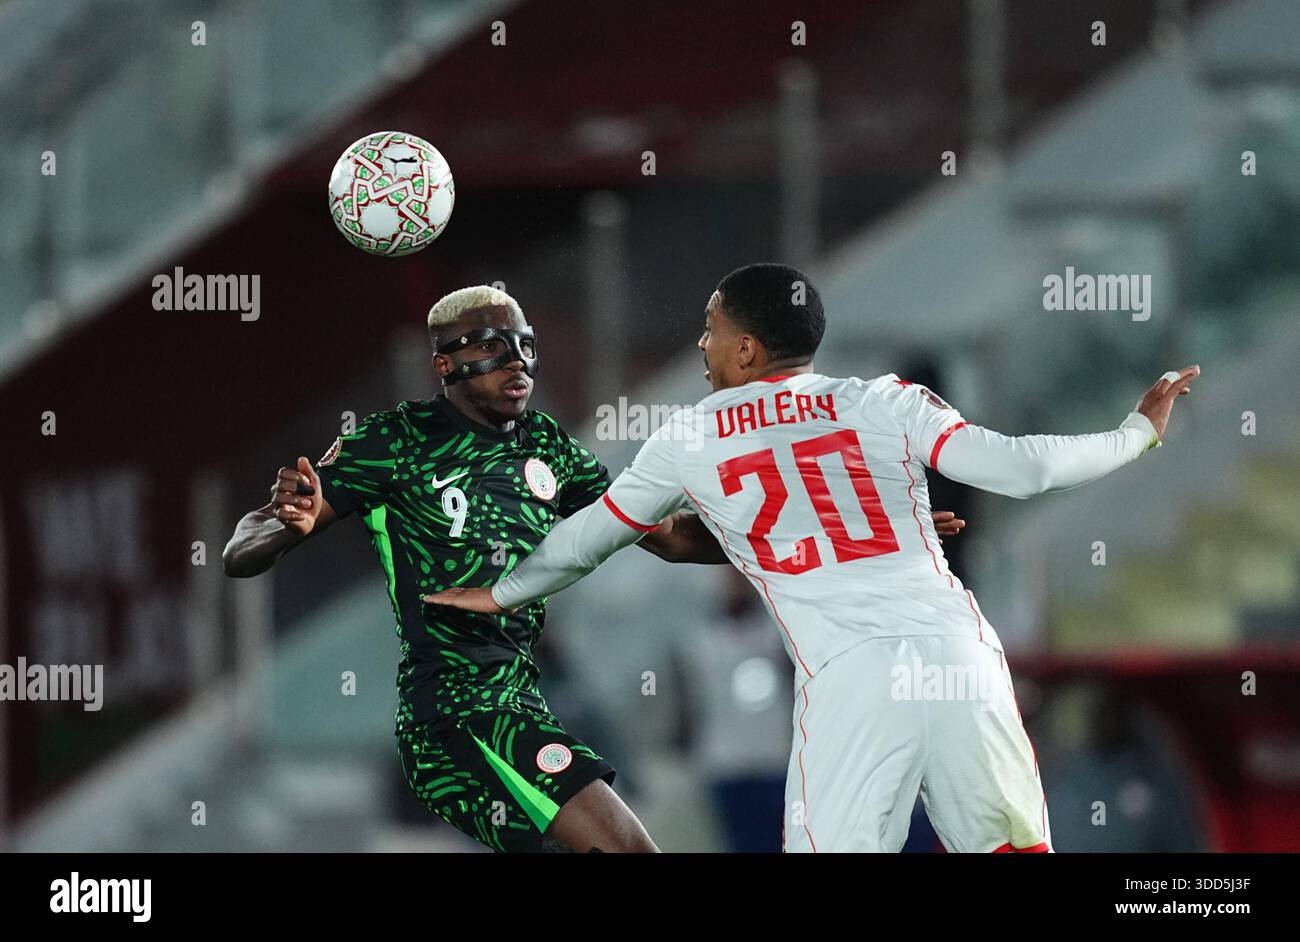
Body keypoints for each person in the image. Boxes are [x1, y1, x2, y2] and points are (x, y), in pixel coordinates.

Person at [426, 263, 1200, 853]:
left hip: (856, 678)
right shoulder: (886, 400)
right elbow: (1026, 469)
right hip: (964, 660)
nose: (702, 345)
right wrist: (1136, 433)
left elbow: (591, 537)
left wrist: (501, 593)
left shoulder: (690, 438)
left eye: (710, 329)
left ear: (747, 347)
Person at [222, 283, 965, 853]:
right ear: (444, 364)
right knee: (625, 845)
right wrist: (277, 525)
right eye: (491, 347)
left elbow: (668, 536)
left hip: (519, 701)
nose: (516, 363)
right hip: (460, 710)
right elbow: (246, 545)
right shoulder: (393, 443)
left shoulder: (544, 446)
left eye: (523, 344)